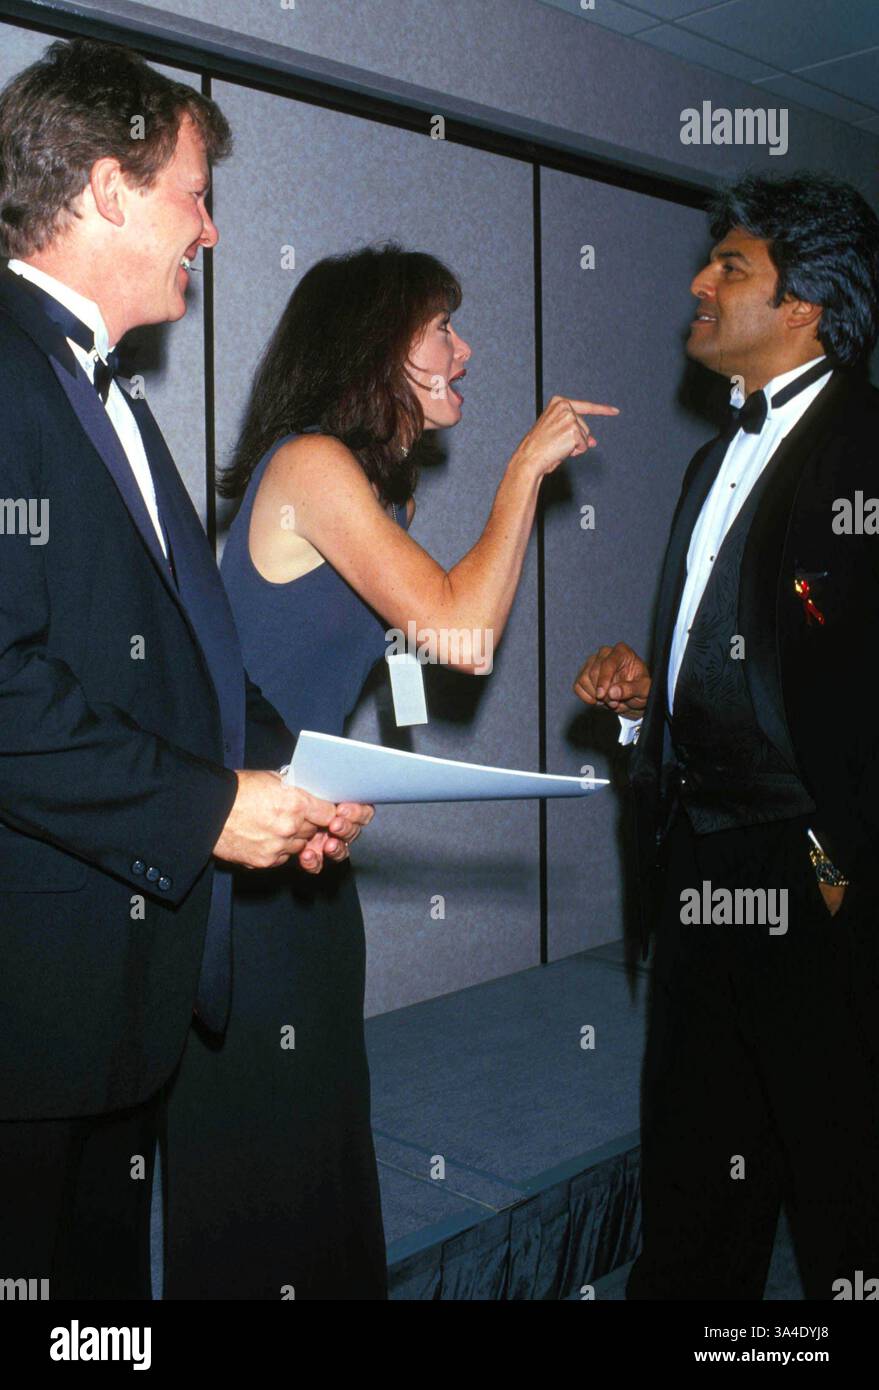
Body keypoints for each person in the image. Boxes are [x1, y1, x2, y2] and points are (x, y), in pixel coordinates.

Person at [161, 242, 619, 1298]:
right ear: (376, 345)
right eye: (441, 327)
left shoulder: (379, 493)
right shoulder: (310, 463)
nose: (466, 348)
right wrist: (524, 469)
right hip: (239, 866)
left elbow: (423, 655)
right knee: (261, 1165)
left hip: (306, 851)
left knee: (321, 1149)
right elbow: (462, 631)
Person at [0, 36, 372, 1301]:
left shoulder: (115, 393)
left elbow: (190, 657)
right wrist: (212, 809)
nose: (209, 232)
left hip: (120, 1002)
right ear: (108, 189)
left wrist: (293, 780)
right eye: (194, 195)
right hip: (28, 1010)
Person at [574, 171, 879, 1300]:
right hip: (695, 865)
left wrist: (846, 865)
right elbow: (759, 657)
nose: (699, 284)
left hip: (815, 878)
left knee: (847, 1208)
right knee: (697, 1193)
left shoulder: (869, 446)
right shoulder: (710, 461)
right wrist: (644, 702)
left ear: (802, 305)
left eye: (731, 268)